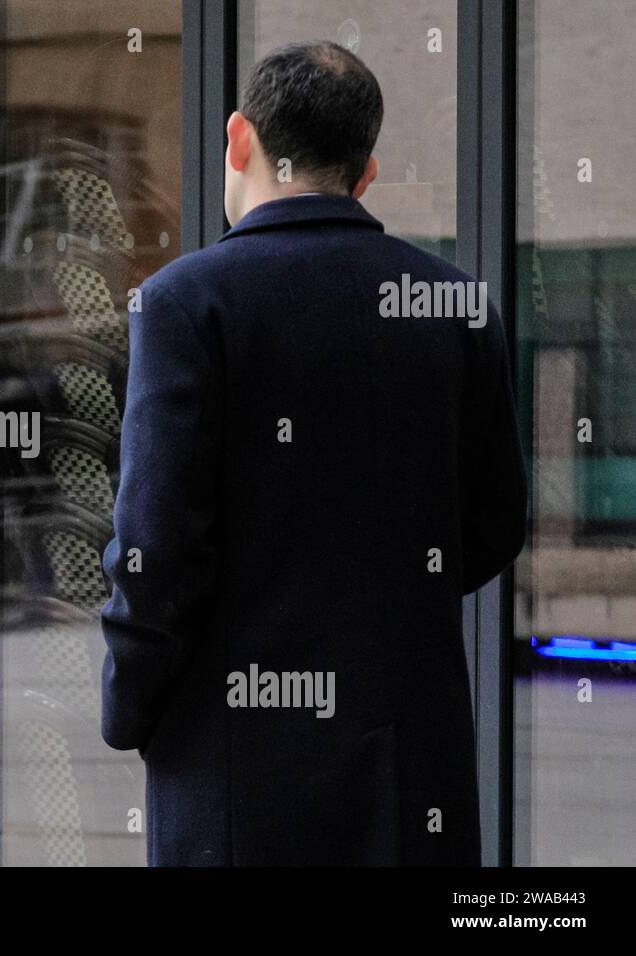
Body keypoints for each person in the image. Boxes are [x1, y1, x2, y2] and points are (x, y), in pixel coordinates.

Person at [100, 40, 527, 865]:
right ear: (366, 172)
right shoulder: (456, 306)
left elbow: (155, 548)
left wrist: (130, 704)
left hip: (232, 769)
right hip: (411, 765)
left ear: (238, 139)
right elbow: (494, 525)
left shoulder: (187, 304)